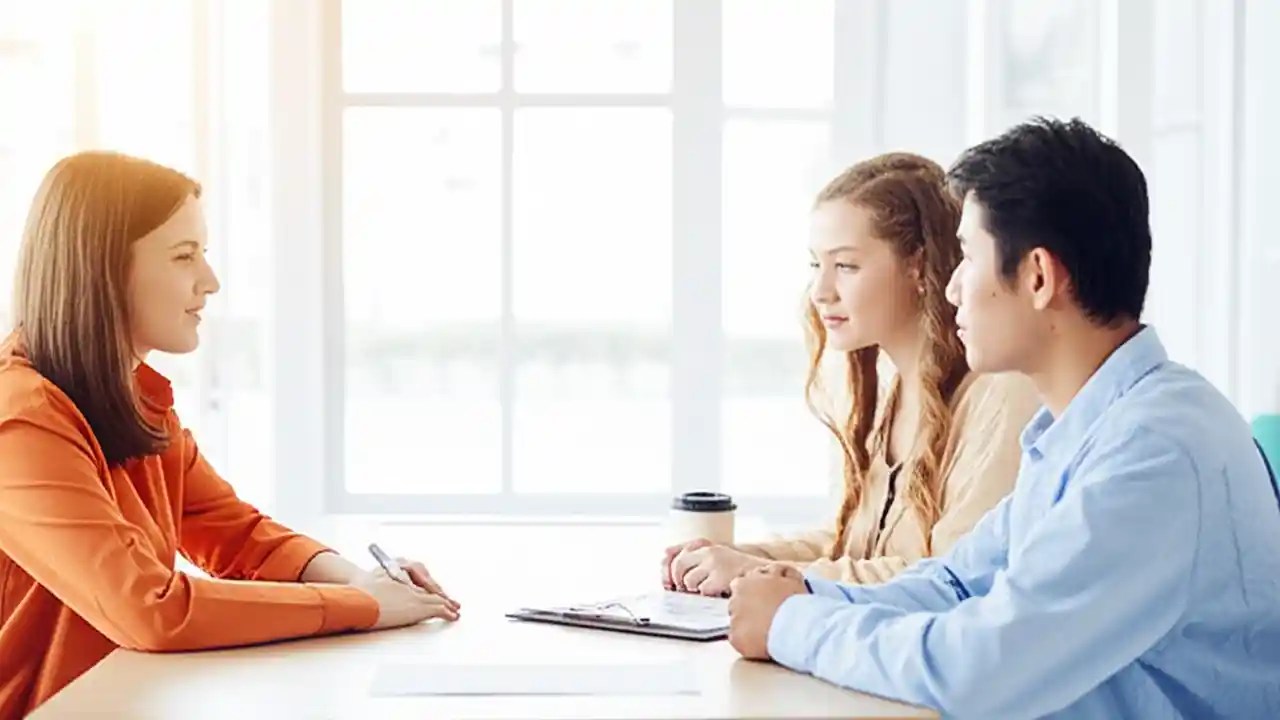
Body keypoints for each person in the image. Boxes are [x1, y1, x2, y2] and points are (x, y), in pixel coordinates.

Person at [725, 118, 1280, 718]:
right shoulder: (1085, 429)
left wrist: (792, 624)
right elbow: (957, 584)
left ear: (1038, 277)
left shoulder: (1155, 451)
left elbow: (976, 668)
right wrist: (803, 592)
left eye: (966, 255)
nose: (953, 287)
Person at [0, 152, 459, 717]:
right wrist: (365, 604)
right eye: (183, 256)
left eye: (204, 254)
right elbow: (150, 609)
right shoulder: (18, 420)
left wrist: (361, 578)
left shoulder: (135, 398)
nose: (210, 282)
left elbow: (237, 536)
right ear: (102, 269)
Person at [663, 154, 1037, 597]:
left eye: (845, 266)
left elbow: (950, 580)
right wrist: (737, 558)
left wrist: (755, 573)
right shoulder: (892, 395)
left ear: (919, 266)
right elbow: (850, 548)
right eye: (815, 266)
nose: (821, 292)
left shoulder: (999, 395)